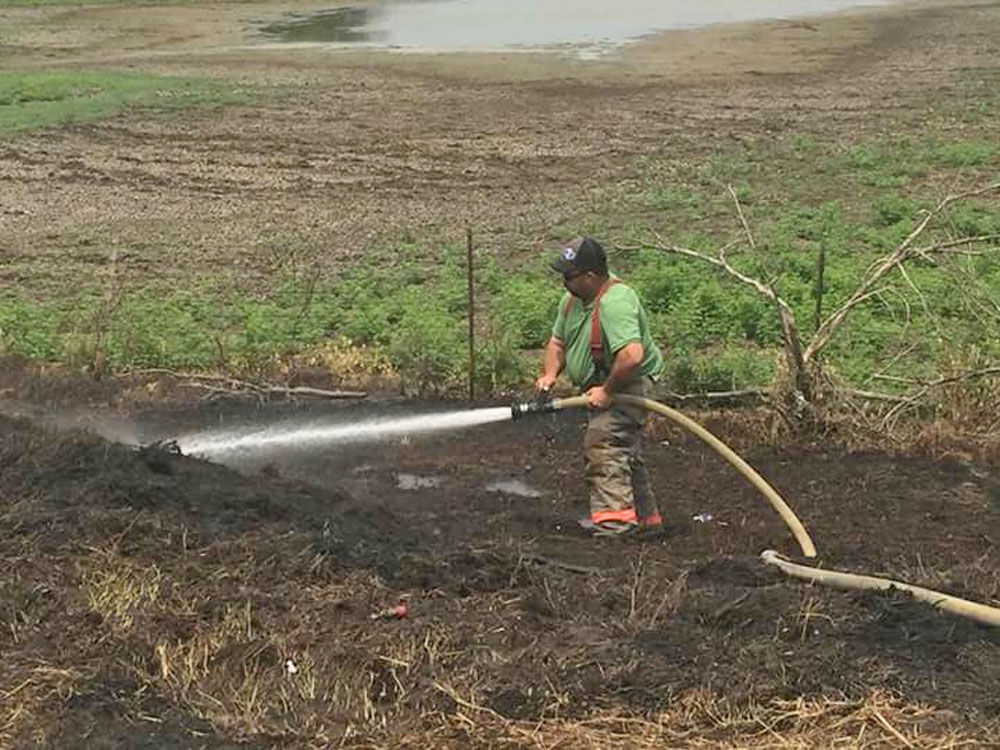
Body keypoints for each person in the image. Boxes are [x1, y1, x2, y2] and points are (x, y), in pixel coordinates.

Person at [534, 236, 664, 537]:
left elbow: (631, 357)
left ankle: (615, 526)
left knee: (604, 441)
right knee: (623, 449)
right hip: (603, 381)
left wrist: (606, 391)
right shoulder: (571, 302)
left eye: (569, 276)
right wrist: (550, 375)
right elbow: (557, 342)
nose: (564, 282)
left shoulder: (615, 303)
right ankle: (646, 520)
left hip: (629, 382)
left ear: (590, 276)